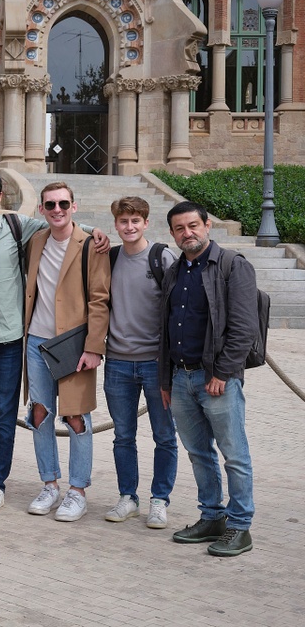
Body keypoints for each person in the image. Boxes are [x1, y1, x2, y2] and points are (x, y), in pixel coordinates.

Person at [0, 169, 107, 515]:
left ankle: (6, 484)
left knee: (21, 415)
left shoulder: (20, 228)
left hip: (25, 339)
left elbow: (69, 233)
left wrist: (98, 232)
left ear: (1, 196)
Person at [160, 201, 258, 557]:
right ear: (172, 233)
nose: (187, 233)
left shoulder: (233, 266)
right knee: (199, 453)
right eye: (179, 229)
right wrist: (165, 380)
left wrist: (223, 371)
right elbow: (165, 330)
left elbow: (243, 327)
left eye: (193, 226)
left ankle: (239, 526)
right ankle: (212, 516)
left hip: (216, 379)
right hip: (180, 377)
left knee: (234, 454)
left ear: (207, 225)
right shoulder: (174, 271)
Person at [23, 182, 110, 522]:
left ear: (74, 206)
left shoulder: (92, 246)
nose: (56, 209)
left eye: (63, 203)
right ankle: (49, 484)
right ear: (42, 209)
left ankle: (77, 491)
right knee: (39, 414)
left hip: (74, 345)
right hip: (36, 342)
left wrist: (94, 347)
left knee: (76, 417)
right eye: (50, 205)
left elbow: (101, 300)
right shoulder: (36, 241)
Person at [103, 196, 178, 528]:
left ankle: (159, 500)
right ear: (116, 224)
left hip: (156, 363)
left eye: (135, 221)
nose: (129, 227)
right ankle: (127, 497)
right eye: (123, 221)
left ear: (146, 223)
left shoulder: (162, 257)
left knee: (164, 435)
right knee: (123, 435)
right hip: (118, 361)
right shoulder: (112, 257)